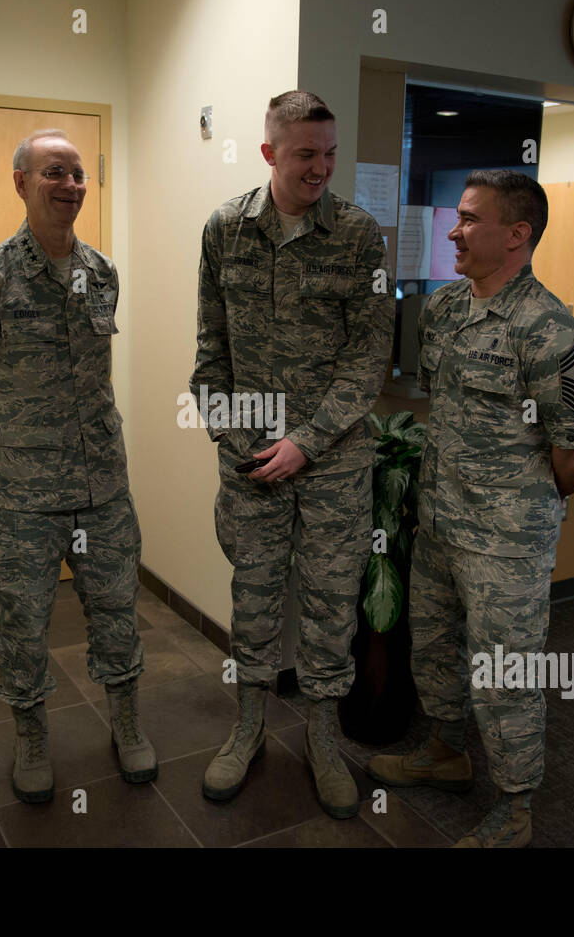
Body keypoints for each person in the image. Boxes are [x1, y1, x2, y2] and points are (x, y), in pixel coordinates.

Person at [367, 169, 574, 847]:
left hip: (507, 543)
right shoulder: (445, 309)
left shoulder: (553, 331)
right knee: (437, 649)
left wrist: (523, 503)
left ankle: (514, 804)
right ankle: (445, 752)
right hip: (441, 525)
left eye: (471, 219)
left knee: (505, 674)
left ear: (517, 234)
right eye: (460, 217)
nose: (454, 229)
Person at [190, 91, 394, 819]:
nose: (322, 168)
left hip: (333, 464)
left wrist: (304, 443)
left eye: (331, 153)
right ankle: (246, 727)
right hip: (252, 464)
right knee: (253, 599)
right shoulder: (225, 228)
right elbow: (210, 350)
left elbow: (370, 359)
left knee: (330, 607)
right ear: (271, 151)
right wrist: (231, 433)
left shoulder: (360, 237)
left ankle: (323, 735)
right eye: (307, 154)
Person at [0, 129, 154, 804]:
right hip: (19, 498)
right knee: (23, 624)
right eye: (53, 172)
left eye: (78, 173)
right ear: (21, 183)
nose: (69, 185)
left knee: (118, 611)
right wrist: (5, 448)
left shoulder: (103, 273)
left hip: (102, 488)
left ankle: (126, 722)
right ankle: (30, 736)